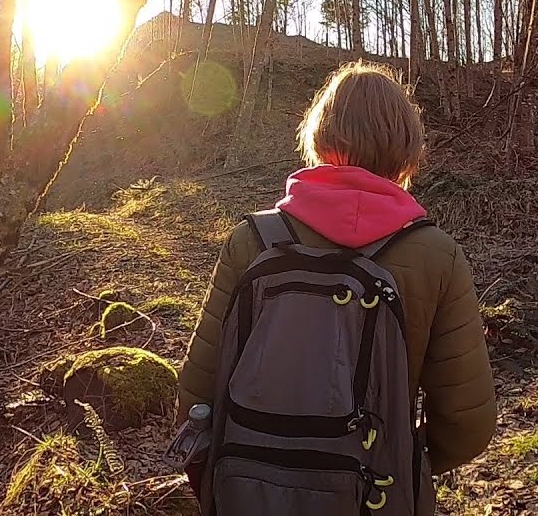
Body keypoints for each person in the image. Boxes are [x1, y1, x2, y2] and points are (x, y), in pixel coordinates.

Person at [176, 61, 496, 513]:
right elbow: (468, 424)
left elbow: (196, 395)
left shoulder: (252, 241)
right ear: (406, 149)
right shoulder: (436, 255)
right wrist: (397, 457)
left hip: (249, 493)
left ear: (319, 139)